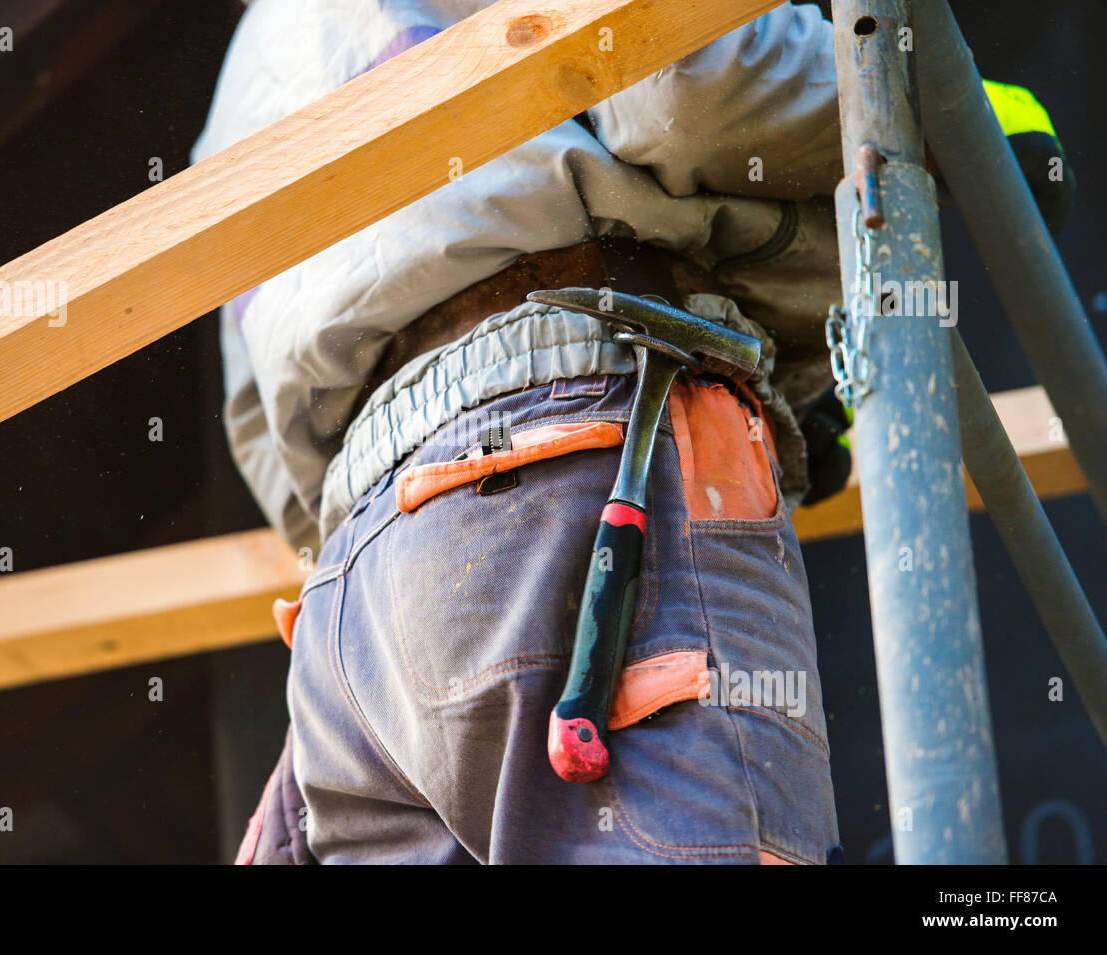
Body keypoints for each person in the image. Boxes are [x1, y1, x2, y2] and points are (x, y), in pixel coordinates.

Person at [192, 0, 853, 864]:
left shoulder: (249, 67)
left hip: (360, 605)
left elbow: (259, 434)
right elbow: (693, 88)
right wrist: (948, 113)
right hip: (581, 429)